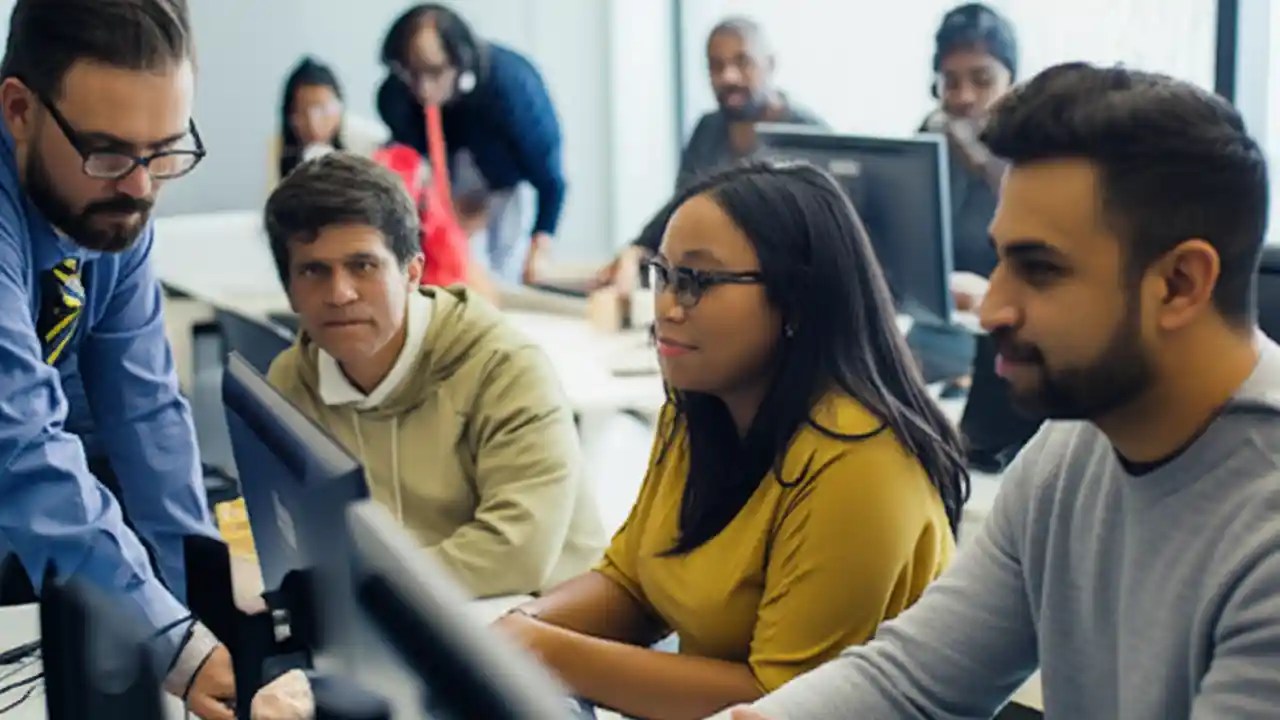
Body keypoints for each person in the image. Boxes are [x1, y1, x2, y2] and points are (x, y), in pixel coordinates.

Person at [720, 63, 1280, 720]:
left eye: (1039, 270)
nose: (991, 311)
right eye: (1001, 261)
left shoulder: (1263, 530)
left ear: (1180, 284)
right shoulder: (1071, 449)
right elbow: (912, 680)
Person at [494, 160, 969, 719]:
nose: (666, 306)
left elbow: (781, 699)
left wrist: (548, 653)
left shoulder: (863, 461)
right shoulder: (700, 406)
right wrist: (513, 631)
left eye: (698, 281)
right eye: (662, 274)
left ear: (796, 299)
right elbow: (633, 586)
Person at [0, 0, 234, 717]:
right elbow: (18, 448)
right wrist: (177, 647)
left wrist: (206, 614)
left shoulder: (110, 199)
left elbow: (145, 410)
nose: (140, 189)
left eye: (164, 152)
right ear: (19, 110)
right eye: (107, 153)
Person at [264, 152, 606, 597]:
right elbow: (290, 529)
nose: (340, 293)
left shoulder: (505, 368)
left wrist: (357, 583)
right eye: (314, 271)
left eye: (363, 266)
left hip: (547, 615)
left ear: (412, 273)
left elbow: (515, 555)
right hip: (396, 618)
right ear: (290, 291)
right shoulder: (291, 381)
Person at [598, 17, 826, 292]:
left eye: (742, 62)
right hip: (706, 286)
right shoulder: (707, 130)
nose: (729, 77)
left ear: (770, 64)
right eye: (716, 66)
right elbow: (682, 206)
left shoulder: (811, 139)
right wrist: (636, 250)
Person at [376, 3, 565, 287]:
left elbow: (550, 177)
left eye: (434, 72)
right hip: (441, 191)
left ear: (460, 61)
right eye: (411, 73)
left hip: (505, 185)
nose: (423, 89)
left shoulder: (513, 91)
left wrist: (540, 244)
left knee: (501, 277)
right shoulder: (398, 95)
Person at [909, 2, 1018, 385]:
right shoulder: (930, 141)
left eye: (982, 80)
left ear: (1011, 83)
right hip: (936, 329)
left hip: (1006, 331)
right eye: (950, 82)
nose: (964, 96)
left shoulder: (1032, 152)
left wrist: (980, 159)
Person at [273, 56, 387, 183]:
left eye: (322, 109)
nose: (313, 123)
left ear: (339, 106)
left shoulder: (370, 144)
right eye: (302, 111)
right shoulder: (286, 152)